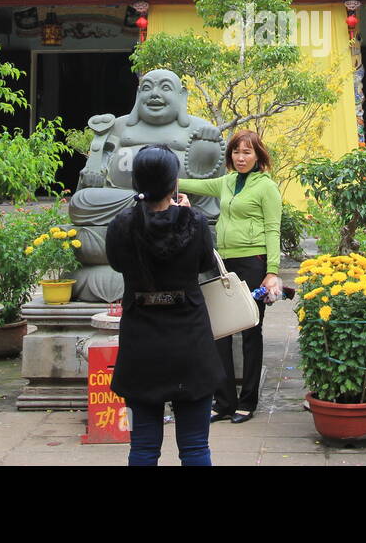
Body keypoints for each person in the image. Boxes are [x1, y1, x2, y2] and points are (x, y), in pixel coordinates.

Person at [107, 145, 224, 466]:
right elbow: (203, 263)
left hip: (142, 344)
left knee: (144, 448)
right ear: (174, 183)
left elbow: (117, 264)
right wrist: (184, 213)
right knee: (196, 447)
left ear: (136, 182)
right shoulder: (195, 222)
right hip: (189, 343)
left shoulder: (121, 225)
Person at [175, 129, 282, 424]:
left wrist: (271, 272)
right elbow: (189, 183)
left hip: (254, 262)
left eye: (247, 152)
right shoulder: (226, 182)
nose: (241, 157)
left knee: (250, 331)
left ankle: (247, 402)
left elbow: (273, 229)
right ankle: (224, 402)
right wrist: (160, 174)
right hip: (224, 262)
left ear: (258, 156)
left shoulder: (266, 187)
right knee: (220, 332)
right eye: (236, 152)